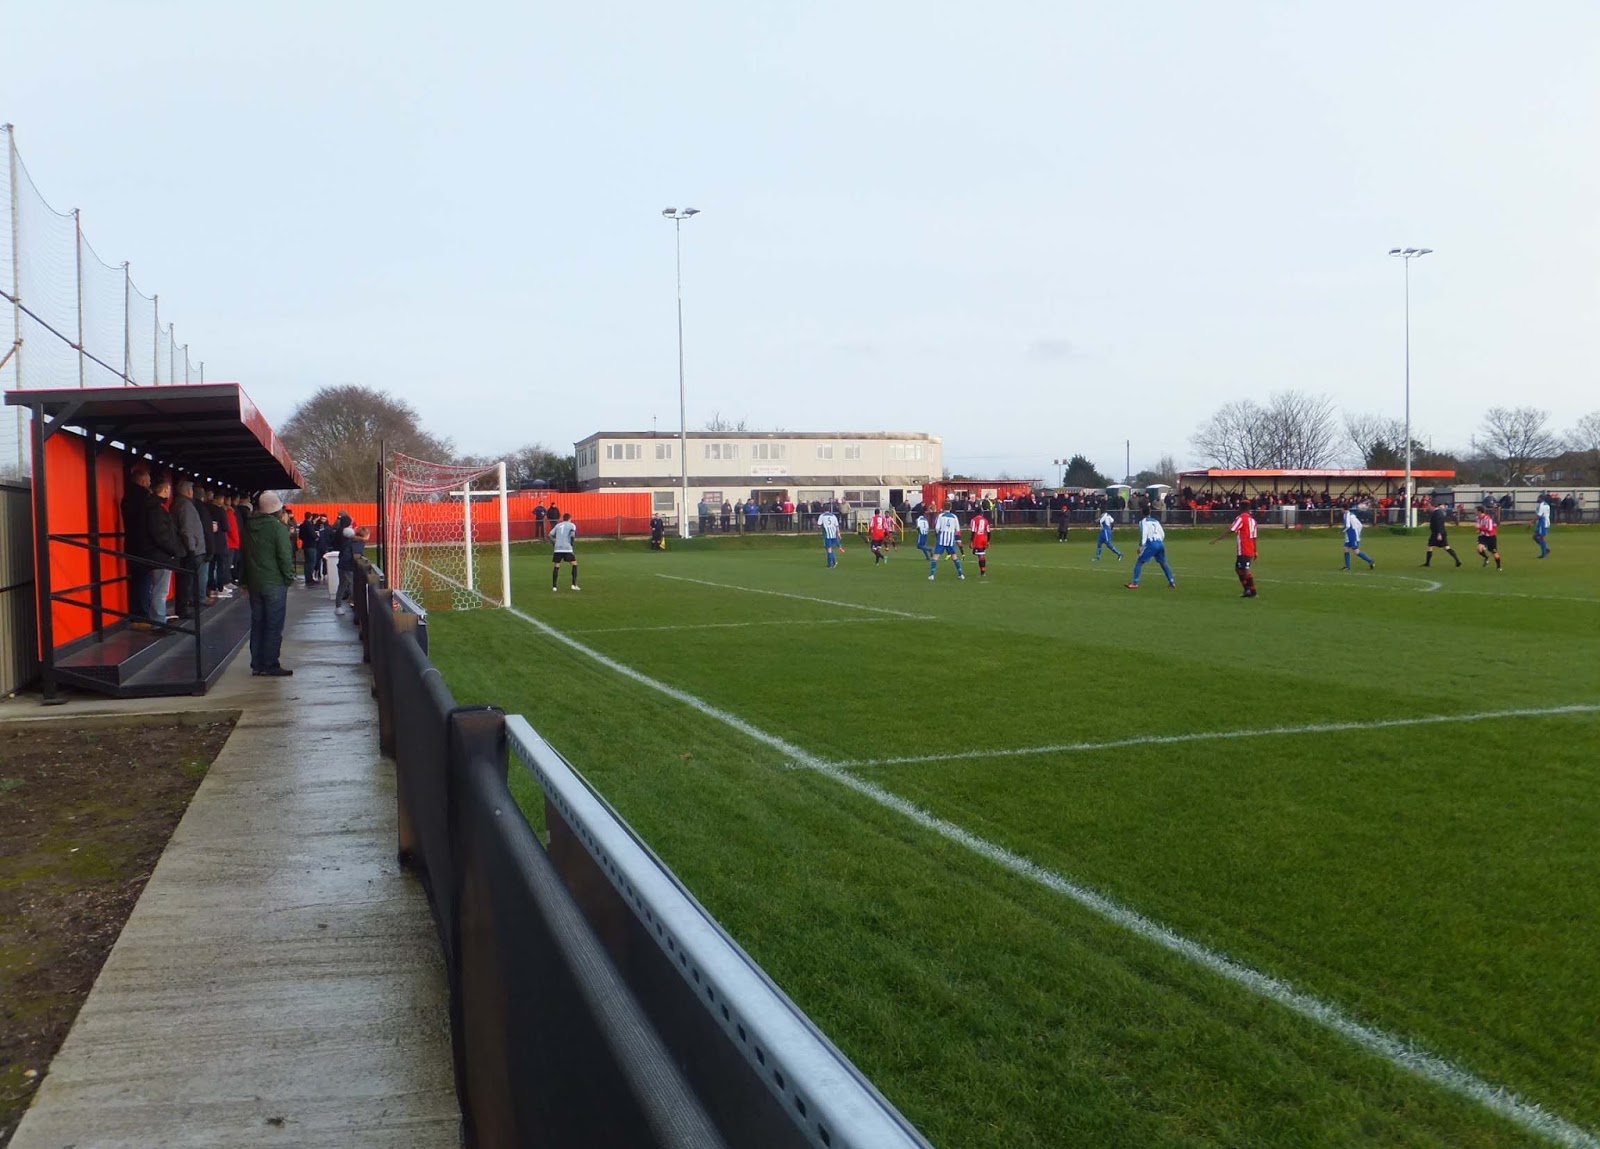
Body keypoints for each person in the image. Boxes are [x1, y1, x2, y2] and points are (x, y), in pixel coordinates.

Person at [242, 491, 295, 676]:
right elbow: (284, 556)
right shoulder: (278, 529)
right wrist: (289, 577)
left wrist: (244, 581)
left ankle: (257, 664)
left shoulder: (248, 527)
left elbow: (244, 556)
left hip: (255, 583)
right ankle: (270, 663)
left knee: (258, 623)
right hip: (274, 582)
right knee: (273, 624)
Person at [142, 474, 184, 626]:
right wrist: (175, 550)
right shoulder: (157, 509)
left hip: (158, 554)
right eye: (169, 490)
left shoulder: (153, 506)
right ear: (165, 490)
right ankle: (158, 620)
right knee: (161, 590)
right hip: (161, 556)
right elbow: (161, 535)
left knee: (159, 589)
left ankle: (158, 617)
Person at [120, 463, 157, 627]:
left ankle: (137, 615)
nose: (150, 484)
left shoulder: (127, 497)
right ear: (142, 481)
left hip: (132, 544)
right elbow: (151, 525)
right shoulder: (145, 499)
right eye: (148, 481)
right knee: (144, 581)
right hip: (145, 547)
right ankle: (142, 616)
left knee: (137, 580)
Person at [171, 480, 207, 619]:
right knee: (187, 581)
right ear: (187, 491)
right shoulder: (185, 505)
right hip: (191, 550)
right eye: (191, 490)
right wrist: (191, 549)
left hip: (187, 548)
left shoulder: (179, 503)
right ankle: (184, 608)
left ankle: (184, 606)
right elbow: (187, 529)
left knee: (186, 580)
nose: (192, 492)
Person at [1211, 507, 1258, 597]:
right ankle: (1247, 590)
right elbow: (1254, 537)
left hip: (1244, 549)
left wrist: (1218, 539)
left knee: (1245, 570)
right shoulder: (1253, 521)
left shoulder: (1240, 518)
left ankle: (1253, 592)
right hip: (1249, 549)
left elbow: (1231, 530)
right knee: (1238, 569)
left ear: (1241, 508)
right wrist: (1255, 551)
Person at [1125, 509, 1175, 589]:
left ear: (1141, 513)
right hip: (1160, 543)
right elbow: (1162, 533)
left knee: (1140, 561)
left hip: (1151, 543)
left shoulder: (1143, 522)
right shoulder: (1156, 521)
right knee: (1163, 563)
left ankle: (1135, 583)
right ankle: (1171, 581)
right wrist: (1159, 541)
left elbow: (1144, 533)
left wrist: (1141, 546)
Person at [928, 509, 965, 581]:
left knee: (936, 556)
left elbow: (937, 527)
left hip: (942, 538)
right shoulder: (954, 516)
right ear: (950, 508)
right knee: (954, 556)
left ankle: (932, 575)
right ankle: (961, 574)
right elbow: (957, 529)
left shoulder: (941, 515)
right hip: (950, 539)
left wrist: (938, 534)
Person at [1423, 503, 1462, 568]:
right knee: (1444, 547)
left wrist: (1439, 534)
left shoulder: (1437, 513)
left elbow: (1439, 524)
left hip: (1437, 533)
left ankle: (1427, 563)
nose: (1428, 508)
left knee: (1432, 546)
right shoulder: (1438, 512)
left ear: (1433, 506)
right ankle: (1457, 561)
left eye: (1429, 506)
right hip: (1439, 533)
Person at [549, 511, 579, 591]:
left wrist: (554, 542)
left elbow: (550, 535)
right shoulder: (572, 525)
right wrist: (572, 545)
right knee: (574, 564)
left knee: (556, 566)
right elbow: (572, 535)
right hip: (567, 548)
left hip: (557, 548)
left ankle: (554, 586)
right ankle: (573, 585)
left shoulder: (558, 525)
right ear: (570, 518)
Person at [1342, 505, 1375, 571]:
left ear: (1343, 509)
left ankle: (1370, 560)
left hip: (1353, 536)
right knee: (1346, 549)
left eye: (1341, 509)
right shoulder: (1345, 515)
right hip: (1349, 536)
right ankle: (1347, 567)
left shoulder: (1351, 516)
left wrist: (1357, 534)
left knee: (1356, 552)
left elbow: (1359, 525)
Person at [1476, 503, 1502, 570]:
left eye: (1476, 511)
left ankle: (1499, 567)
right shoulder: (1478, 518)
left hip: (1491, 537)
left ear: (1479, 512)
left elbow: (1490, 530)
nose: (1475, 513)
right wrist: (1478, 530)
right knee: (1479, 549)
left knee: (1494, 552)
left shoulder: (1488, 519)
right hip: (1483, 536)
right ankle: (1486, 557)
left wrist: (1480, 528)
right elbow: (1479, 527)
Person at [298, 512, 320, 586]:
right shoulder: (309, 525)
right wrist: (316, 536)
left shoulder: (302, 525)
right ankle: (310, 579)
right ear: (310, 517)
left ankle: (307, 578)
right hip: (311, 545)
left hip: (305, 545)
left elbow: (300, 536)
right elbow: (312, 534)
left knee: (307, 562)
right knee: (312, 562)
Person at [969, 508, 992, 577]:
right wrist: (988, 541)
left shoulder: (974, 520)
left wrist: (971, 541)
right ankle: (983, 570)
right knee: (981, 554)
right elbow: (988, 532)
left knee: (980, 555)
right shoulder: (985, 520)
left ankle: (983, 571)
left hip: (978, 539)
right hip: (984, 539)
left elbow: (973, 531)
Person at [1533, 493, 1551, 559]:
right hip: (1542, 522)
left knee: (1541, 538)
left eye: (1538, 498)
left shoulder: (1542, 505)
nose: (1537, 499)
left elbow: (1539, 515)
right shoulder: (1546, 504)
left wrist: (1532, 522)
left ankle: (1544, 554)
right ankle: (1546, 548)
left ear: (1541, 498)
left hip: (1543, 523)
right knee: (1535, 536)